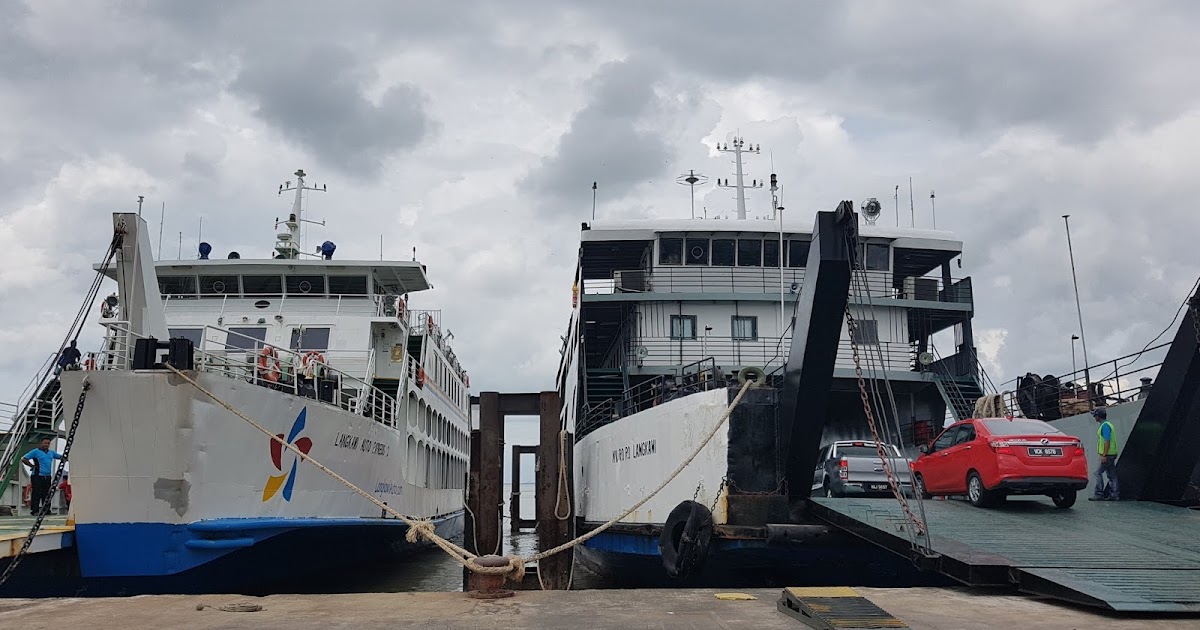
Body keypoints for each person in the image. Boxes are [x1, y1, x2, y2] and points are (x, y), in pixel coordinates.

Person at [21, 437, 64, 514]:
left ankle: (46, 510)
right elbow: (24, 459)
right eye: (45, 443)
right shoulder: (35, 452)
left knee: (47, 493)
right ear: (41, 443)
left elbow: (60, 457)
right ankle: (35, 510)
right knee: (36, 493)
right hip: (37, 476)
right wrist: (32, 466)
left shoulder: (51, 453)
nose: (46, 445)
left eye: (48, 443)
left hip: (47, 476)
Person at [1089, 407, 1119, 501]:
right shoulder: (1109, 424)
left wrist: (1104, 455)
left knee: (1097, 473)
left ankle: (1099, 494)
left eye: (1095, 415)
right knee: (1111, 475)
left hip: (1107, 455)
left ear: (1098, 416)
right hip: (1112, 453)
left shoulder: (1105, 426)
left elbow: (1107, 441)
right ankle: (1114, 495)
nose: (1094, 417)